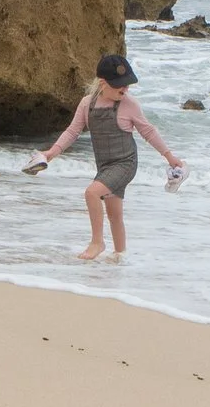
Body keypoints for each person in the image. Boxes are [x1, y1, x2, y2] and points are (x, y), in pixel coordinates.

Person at [33, 54, 184, 261]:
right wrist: (51, 153)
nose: (125, 89)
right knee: (114, 215)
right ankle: (120, 256)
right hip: (104, 165)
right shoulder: (88, 104)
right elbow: (72, 132)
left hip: (125, 163)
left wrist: (169, 156)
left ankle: (97, 242)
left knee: (91, 193)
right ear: (103, 83)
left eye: (127, 85)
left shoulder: (129, 104)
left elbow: (148, 131)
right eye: (119, 86)